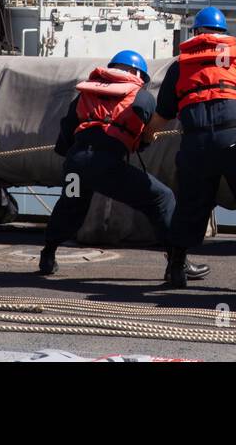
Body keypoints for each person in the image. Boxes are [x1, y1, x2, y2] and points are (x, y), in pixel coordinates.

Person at [38, 49, 208, 281]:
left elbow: (66, 131)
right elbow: (141, 137)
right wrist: (145, 140)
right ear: (137, 73)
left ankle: (48, 254)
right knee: (161, 197)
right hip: (107, 166)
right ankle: (177, 265)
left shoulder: (86, 93)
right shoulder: (142, 97)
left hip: (76, 164)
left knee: (69, 205)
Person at [155, 7, 236, 290]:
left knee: (189, 205)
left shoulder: (180, 65)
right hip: (235, 139)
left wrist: (145, 135)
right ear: (224, 34)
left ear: (196, 33)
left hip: (196, 143)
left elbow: (164, 114)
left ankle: (176, 270)